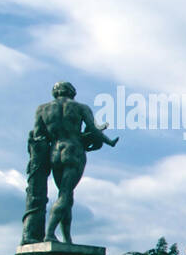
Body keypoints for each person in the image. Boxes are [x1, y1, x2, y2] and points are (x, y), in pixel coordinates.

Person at [24, 81, 117, 244]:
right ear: (72, 92)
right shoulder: (81, 107)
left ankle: (67, 238)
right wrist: (109, 141)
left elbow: (39, 134)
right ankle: (50, 234)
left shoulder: (42, 109)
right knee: (65, 194)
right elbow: (94, 130)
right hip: (73, 150)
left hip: (55, 151)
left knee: (66, 195)